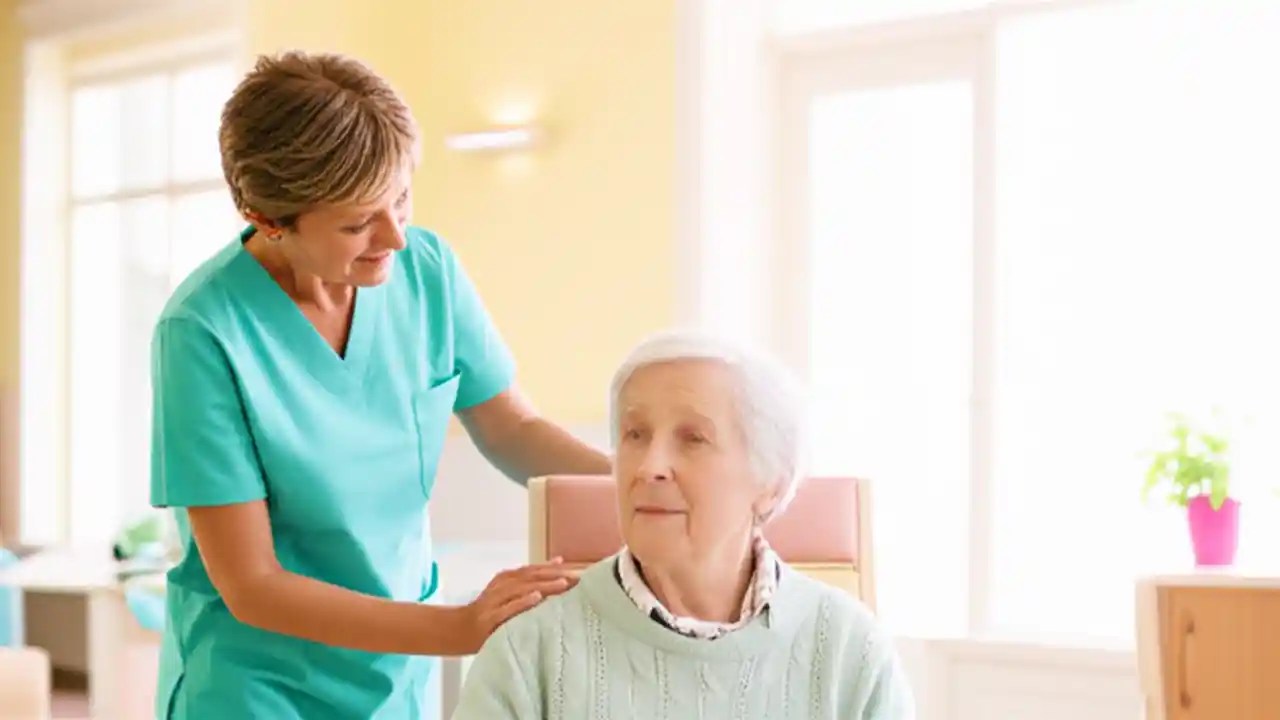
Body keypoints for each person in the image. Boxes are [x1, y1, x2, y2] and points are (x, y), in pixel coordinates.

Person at [149, 51, 609, 719]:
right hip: (255, 686)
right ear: (271, 218)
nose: (394, 236)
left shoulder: (428, 270)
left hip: (392, 676)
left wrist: (644, 491)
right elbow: (252, 584)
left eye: (400, 198)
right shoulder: (201, 331)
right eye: (357, 222)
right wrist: (458, 628)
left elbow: (512, 429)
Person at [451, 330, 914, 719]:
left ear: (770, 484)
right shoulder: (528, 651)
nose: (649, 466)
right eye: (635, 435)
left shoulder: (850, 649)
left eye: (693, 438)